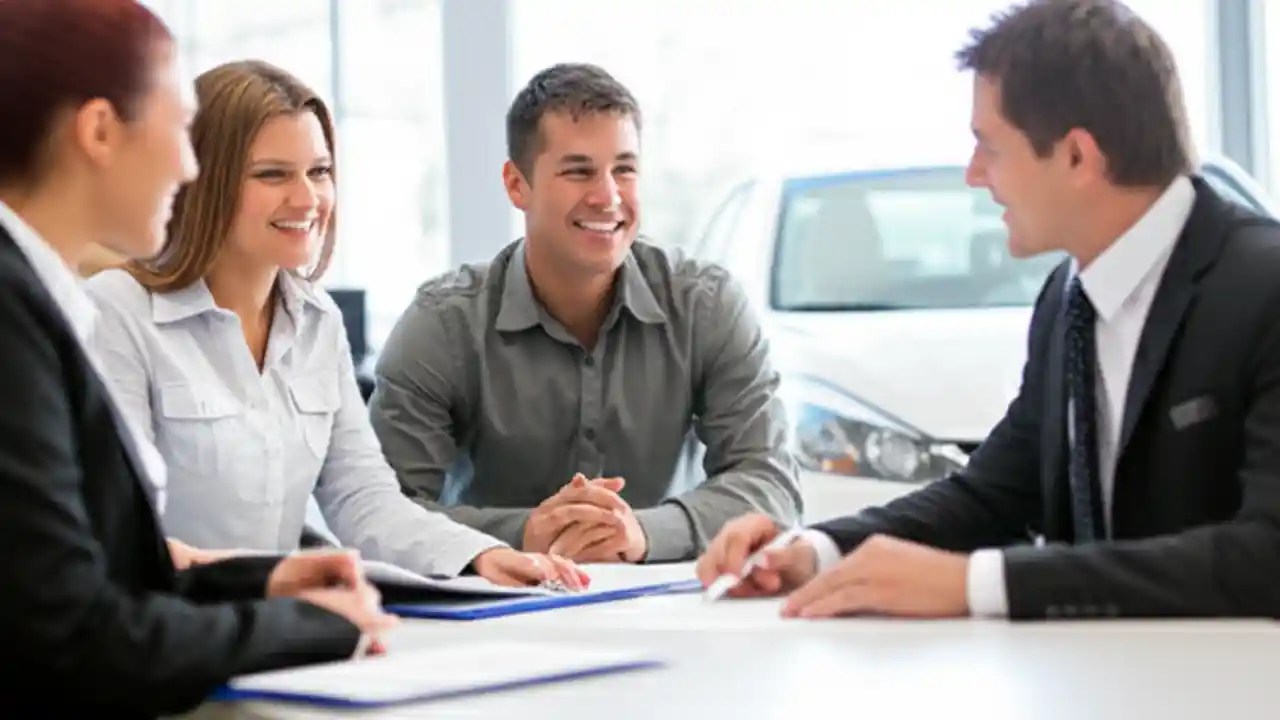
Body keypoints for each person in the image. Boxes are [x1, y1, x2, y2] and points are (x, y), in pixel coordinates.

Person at [696, 0, 1280, 620]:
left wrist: (976, 584)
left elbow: (1267, 554)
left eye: (989, 147)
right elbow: (996, 492)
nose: (975, 176)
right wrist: (817, 550)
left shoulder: (1263, 286)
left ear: (1078, 157)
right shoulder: (1068, 298)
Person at [0, 2, 396, 716]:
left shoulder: (35, 300)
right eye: (182, 129)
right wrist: (306, 626)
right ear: (98, 131)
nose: (190, 167)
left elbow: (87, 574)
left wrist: (258, 583)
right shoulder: (13, 314)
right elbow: (70, 636)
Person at [88, 60, 585, 590]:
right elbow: (117, 531)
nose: (307, 199)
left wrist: (479, 556)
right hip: (158, 626)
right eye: (272, 174)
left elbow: (363, 499)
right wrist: (275, 578)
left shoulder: (317, 322)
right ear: (203, 179)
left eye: (319, 171)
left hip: (272, 623)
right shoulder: (117, 314)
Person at [368, 63, 801, 564]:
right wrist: (526, 532)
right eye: (578, 171)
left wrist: (641, 532)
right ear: (516, 185)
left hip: (668, 603)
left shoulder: (706, 305)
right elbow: (384, 513)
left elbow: (770, 483)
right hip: (492, 608)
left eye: (624, 168)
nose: (607, 196)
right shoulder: (441, 325)